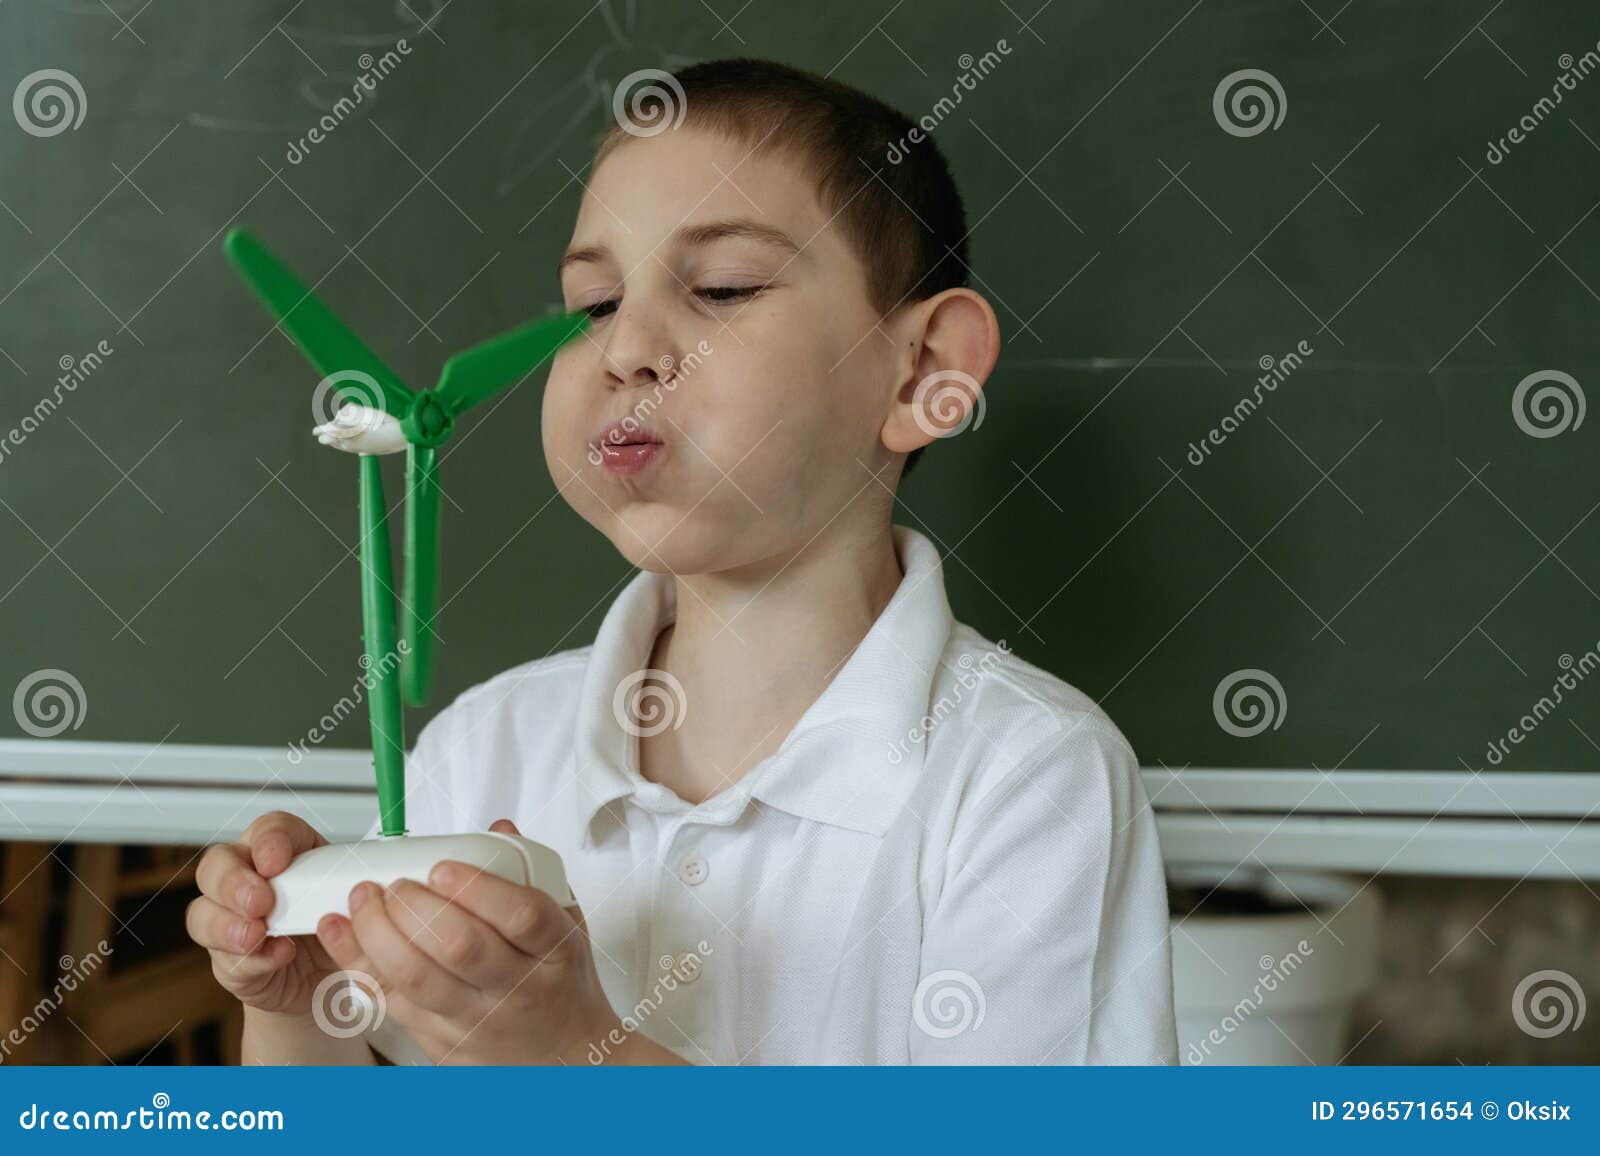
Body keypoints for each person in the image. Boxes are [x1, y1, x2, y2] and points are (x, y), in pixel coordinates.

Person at [187, 57, 1177, 1066]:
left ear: (922, 371)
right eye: (592, 304)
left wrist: (578, 1053)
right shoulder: (483, 749)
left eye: (721, 288)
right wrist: (298, 1005)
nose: (628, 349)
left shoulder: (1027, 777)